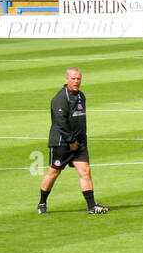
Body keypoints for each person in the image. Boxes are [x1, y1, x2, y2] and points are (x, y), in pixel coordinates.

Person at [38, 68, 109, 215]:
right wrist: (70, 141)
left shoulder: (81, 96)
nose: (76, 81)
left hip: (79, 143)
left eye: (78, 79)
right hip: (62, 143)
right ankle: (42, 203)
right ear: (67, 79)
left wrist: (80, 140)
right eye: (73, 79)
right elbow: (60, 122)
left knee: (85, 171)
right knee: (54, 172)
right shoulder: (60, 98)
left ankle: (91, 206)